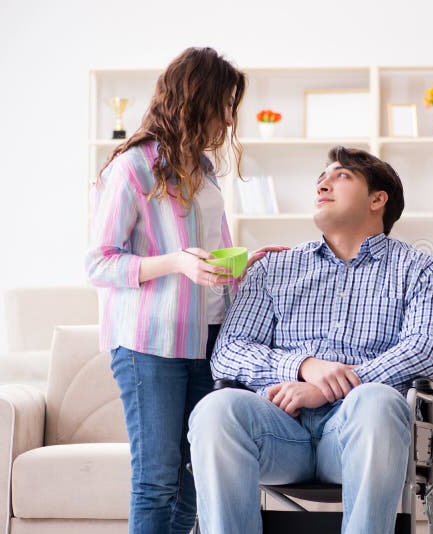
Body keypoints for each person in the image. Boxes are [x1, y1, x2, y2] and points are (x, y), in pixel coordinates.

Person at [188, 145, 433, 534]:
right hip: (279, 430)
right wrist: (302, 368)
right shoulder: (273, 268)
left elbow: (426, 351)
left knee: (377, 400)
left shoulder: (422, 271)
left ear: (377, 199)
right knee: (217, 409)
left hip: (359, 433)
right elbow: (229, 352)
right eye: (320, 179)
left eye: (341, 176)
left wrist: (327, 390)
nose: (323, 184)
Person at [85, 47, 283, 534]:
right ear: (197, 100)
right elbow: (98, 262)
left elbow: (215, 256)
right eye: (225, 104)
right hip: (149, 344)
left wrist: (245, 264)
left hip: (211, 341)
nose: (231, 118)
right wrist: (177, 263)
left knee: (197, 477)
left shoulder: (206, 170)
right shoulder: (133, 168)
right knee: (157, 480)